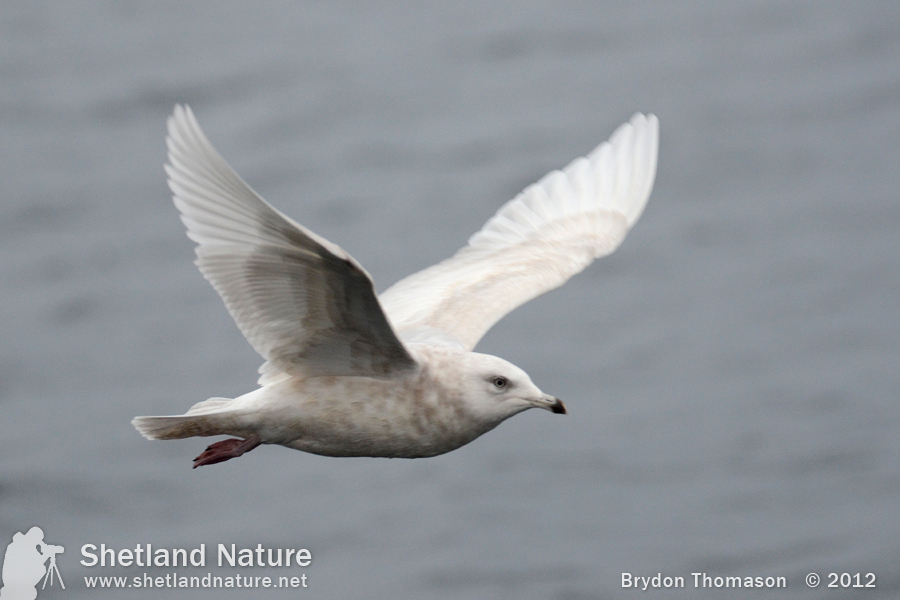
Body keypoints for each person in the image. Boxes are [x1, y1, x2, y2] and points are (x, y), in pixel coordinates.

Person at [0, 527, 63, 600]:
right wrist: (46, 554)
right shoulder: (24, 546)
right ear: (34, 537)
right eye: (38, 540)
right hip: (18, 581)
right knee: (42, 569)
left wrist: (45, 550)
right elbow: (35, 562)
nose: (38, 543)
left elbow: (33, 560)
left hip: (10, 580)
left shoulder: (19, 543)